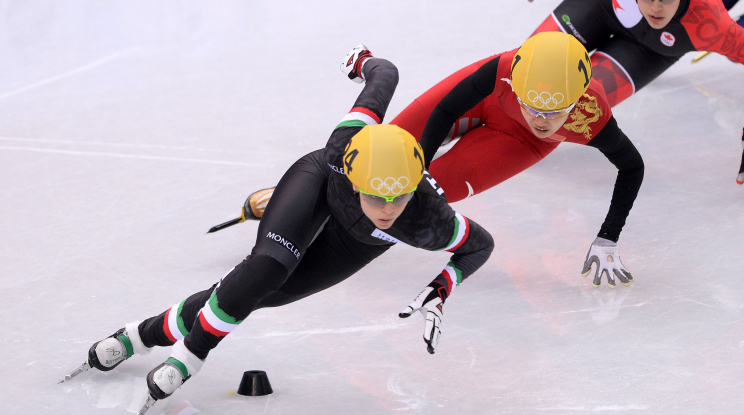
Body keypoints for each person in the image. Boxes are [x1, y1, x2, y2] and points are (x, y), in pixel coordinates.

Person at [59, 46, 495, 415]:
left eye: (398, 198)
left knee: (259, 293)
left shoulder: (429, 220)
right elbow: (387, 74)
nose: (386, 209)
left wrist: (443, 286)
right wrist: (362, 60)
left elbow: (480, 246)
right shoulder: (343, 148)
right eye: (375, 197)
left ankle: (140, 335)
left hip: (355, 244)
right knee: (267, 268)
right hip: (318, 186)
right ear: (354, 175)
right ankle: (190, 357)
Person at [223, 32, 645, 289]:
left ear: (577, 101)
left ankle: (323, 223)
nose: (540, 119)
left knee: (426, 197)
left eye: (555, 112)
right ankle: (297, 199)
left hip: (513, 145)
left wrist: (608, 236)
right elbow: (444, 111)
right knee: (384, 154)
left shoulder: (593, 116)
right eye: (531, 105)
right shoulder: (500, 70)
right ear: (515, 82)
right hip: (482, 102)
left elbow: (631, 166)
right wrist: (410, 166)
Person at [502, 0, 744, 195]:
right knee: (529, 74)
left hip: (650, 51)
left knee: (567, 111)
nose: (656, 6)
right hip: (601, 7)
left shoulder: (710, 23)